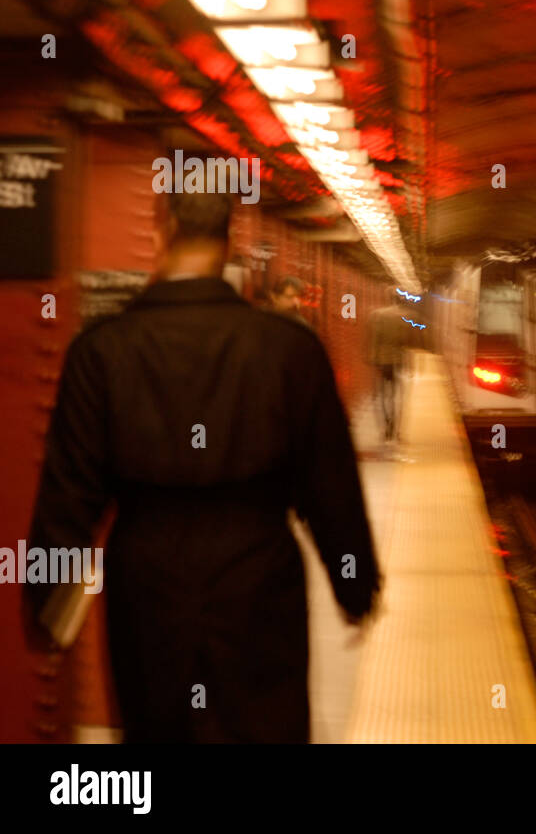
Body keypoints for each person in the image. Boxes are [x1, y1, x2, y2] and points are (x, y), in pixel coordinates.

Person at [23, 185, 381, 743]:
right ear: (230, 237)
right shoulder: (287, 348)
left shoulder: (102, 350)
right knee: (266, 724)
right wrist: (354, 585)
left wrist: (45, 602)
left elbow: (69, 494)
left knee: (157, 727)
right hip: (259, 570)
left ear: (160, 229)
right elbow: (329, 484)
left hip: (146, 577)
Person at [367, 295, 408, 444]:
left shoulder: (380, 315)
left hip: (383, 361)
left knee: (383, 395)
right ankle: (396, 429)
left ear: (389, 299)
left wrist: (373, 358)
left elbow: (376, 338)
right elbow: (406, 339)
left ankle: (387, 425)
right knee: (397, 396)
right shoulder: (404, 316)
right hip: (398, 360)